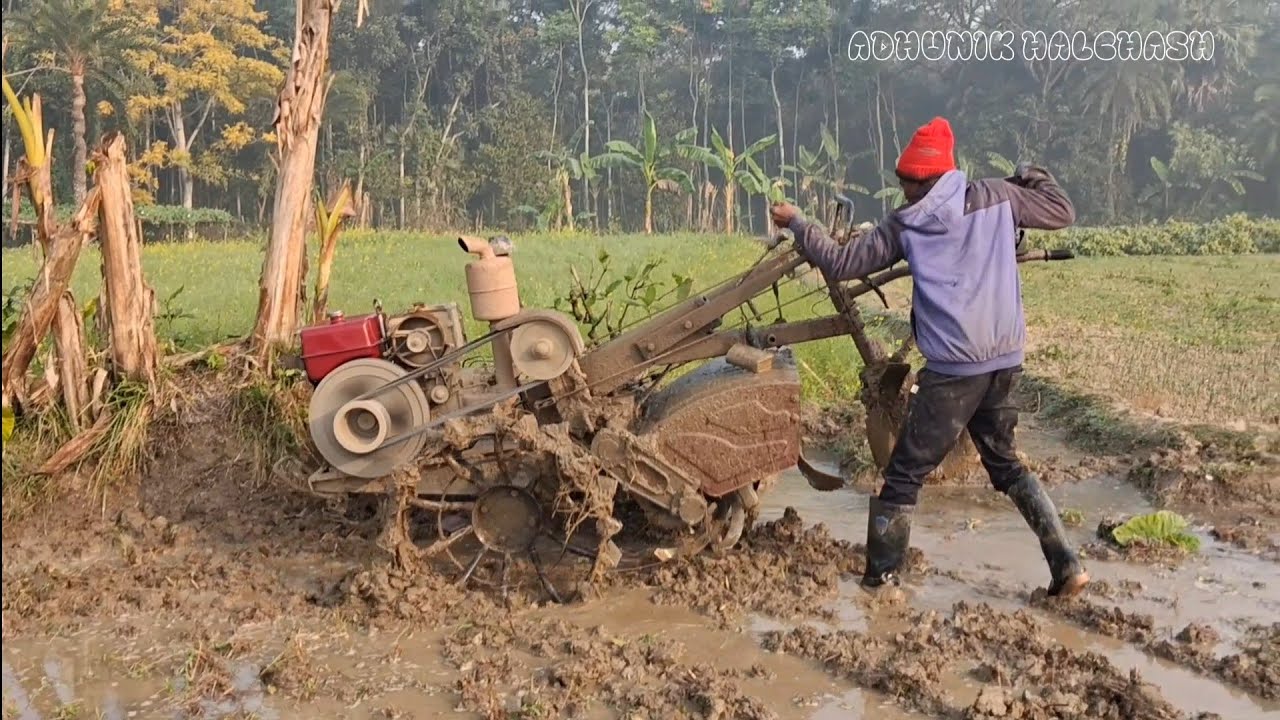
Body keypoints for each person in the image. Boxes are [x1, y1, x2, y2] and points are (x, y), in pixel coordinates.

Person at [770, 116, 1089, 598]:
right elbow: (1062, 210)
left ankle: (880, 584)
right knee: (1004, 464)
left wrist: (798, 223)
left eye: (904, 185)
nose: (902, 195)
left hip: (955, 372)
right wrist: (1029, 172)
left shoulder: (906, 223)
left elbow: (840, 263)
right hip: (1004, 359)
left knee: (902, 475)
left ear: (921, 182)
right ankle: (1067, 565)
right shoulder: (997, 196)